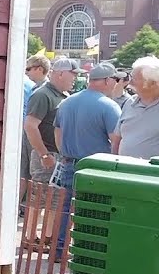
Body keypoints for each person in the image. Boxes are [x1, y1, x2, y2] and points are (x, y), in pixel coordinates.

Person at [50, 63, 123, 259]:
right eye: (115, 80)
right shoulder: (108, 106)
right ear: (107, 81)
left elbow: (57, 131)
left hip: (68, 161)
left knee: (66, 208)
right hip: (95, 167)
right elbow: (115, 139)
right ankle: (87, 252)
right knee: (93, 209)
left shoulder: (67, 102)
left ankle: (59, 250)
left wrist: (64, 151)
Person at [24, 57, 79, 182]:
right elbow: (30, 126)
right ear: (61, 74)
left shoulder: (64, 95)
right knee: (45, 199)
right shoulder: (42, 95)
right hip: (47, 157)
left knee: (57, 200)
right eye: (73, 74)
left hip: (60, 157)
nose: (75, 78)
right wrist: (44, 155)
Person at [112, 55, 159, 159]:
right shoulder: (129, 103)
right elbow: (117, 139)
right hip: (123, 170)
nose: (130, 82)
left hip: (152, 174)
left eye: (134, 79)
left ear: (152, 83)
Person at [21, 55, 51, 182]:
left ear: (39, 69)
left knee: (34, 174)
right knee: (24, 171)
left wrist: (44, 154)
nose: (26, 73)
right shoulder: (36, 88)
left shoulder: (43, 92)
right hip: (28, 133)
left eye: (28, 69)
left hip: (36, 136)